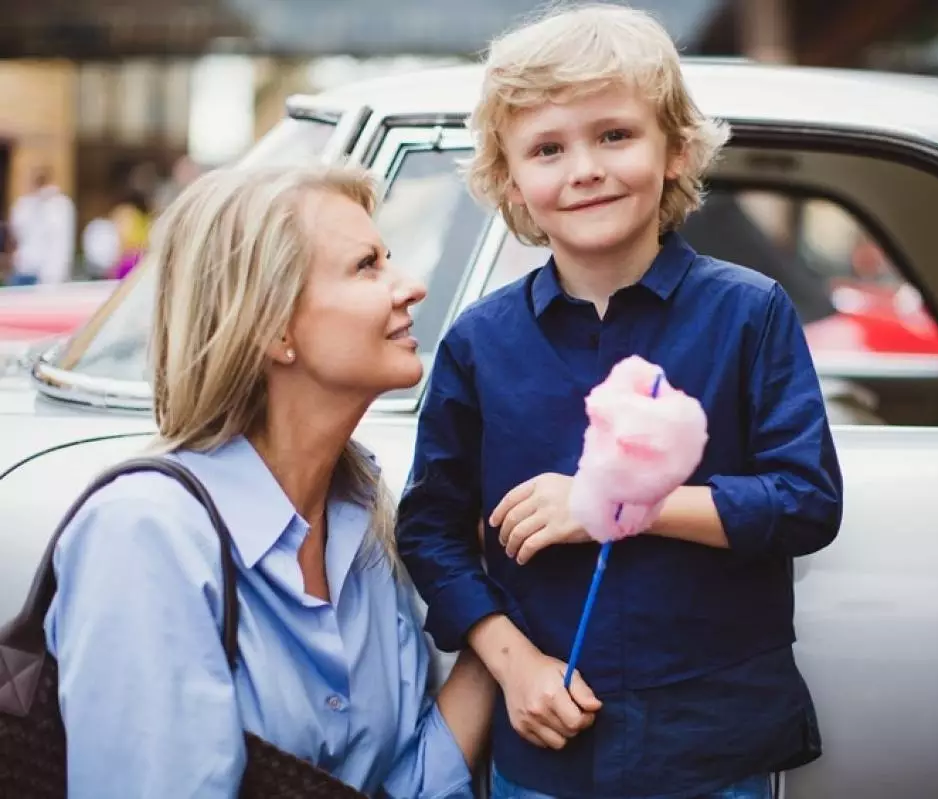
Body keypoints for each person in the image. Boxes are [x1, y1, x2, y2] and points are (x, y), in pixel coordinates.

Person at [396, 4, 844, 798]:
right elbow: (431, 530)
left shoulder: (751, 312)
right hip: (547, 743)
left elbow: (806, 503)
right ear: (512, 182)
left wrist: (619, 506)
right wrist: (513, 663)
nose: (584, 169)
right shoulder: (480, 342)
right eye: (546, 148)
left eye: (614, 135)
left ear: (674, 151)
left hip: (714, 743)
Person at [43, 164, 495, 797]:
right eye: (367, 266)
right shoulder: (146, 536)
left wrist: (496, 613)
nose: (411, 286)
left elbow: (409, 786)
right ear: (273, 328)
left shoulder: (363, 517)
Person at [7, 165, 76, 286]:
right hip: (24, 267)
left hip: (50, 273)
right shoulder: (24, 204)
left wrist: (56, 273)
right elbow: (17, 232)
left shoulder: (60, 205)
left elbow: (61, 241)